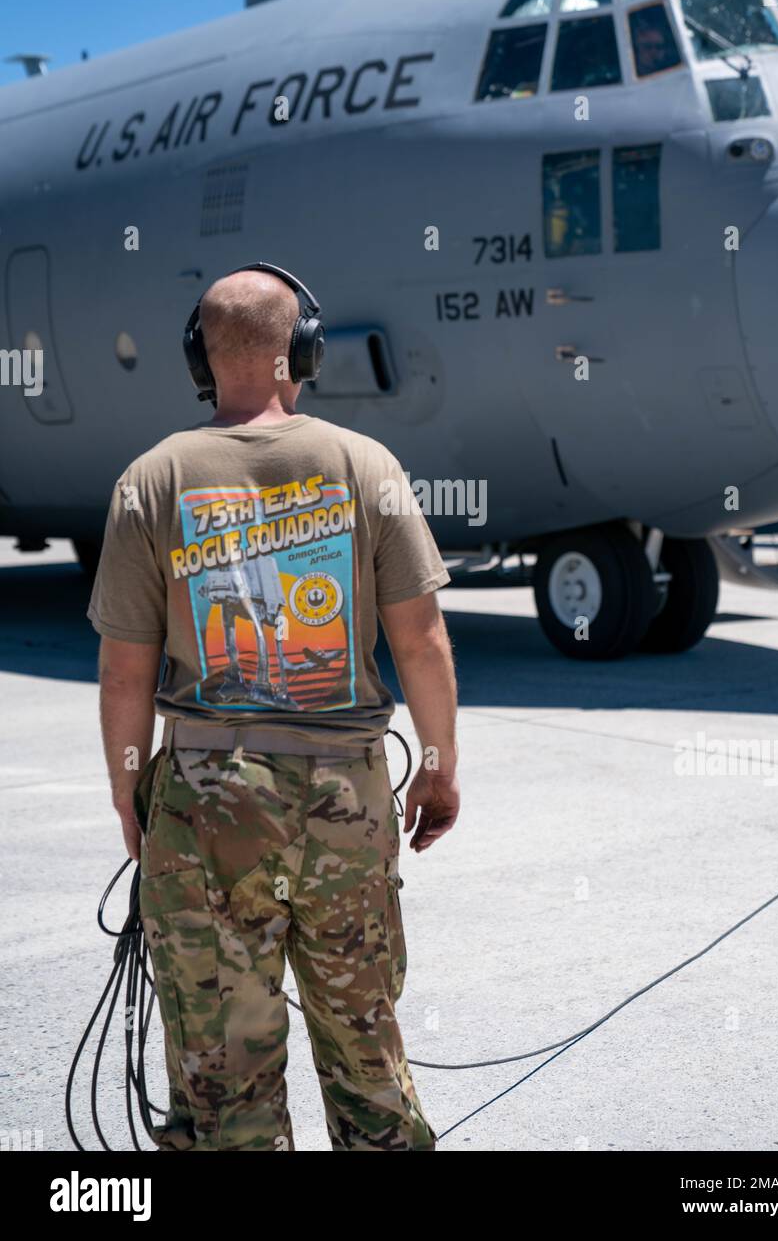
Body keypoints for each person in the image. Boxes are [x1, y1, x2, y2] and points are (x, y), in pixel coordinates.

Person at [87, 265, 459, 1151]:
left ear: (197, 357)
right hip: (347, 798)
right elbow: (421, 641)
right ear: (304, 351)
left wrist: (130, 792)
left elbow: (125, 673)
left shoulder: (153, 478)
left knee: (224, 1070)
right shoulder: (364, 465)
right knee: (364, 1043)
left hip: (208, 801)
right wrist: (439, 769)